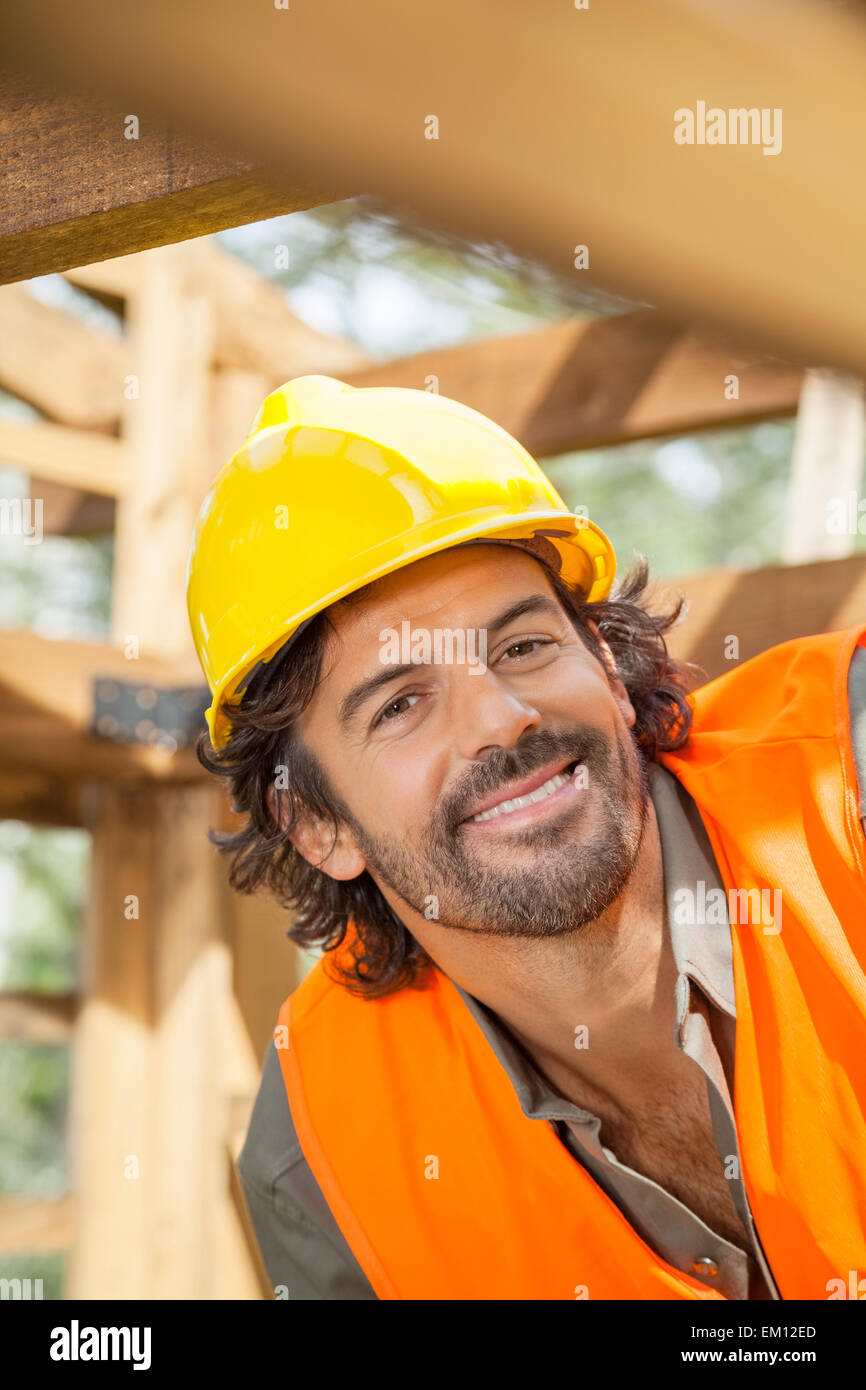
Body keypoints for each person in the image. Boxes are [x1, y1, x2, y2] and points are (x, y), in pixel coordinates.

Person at [186, 375, 866, 1300]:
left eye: (522, 647)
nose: (502, 719)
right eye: (401, 704)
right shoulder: (323, 1157)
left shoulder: (847, 780)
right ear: (318, 825)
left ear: (610, 672)